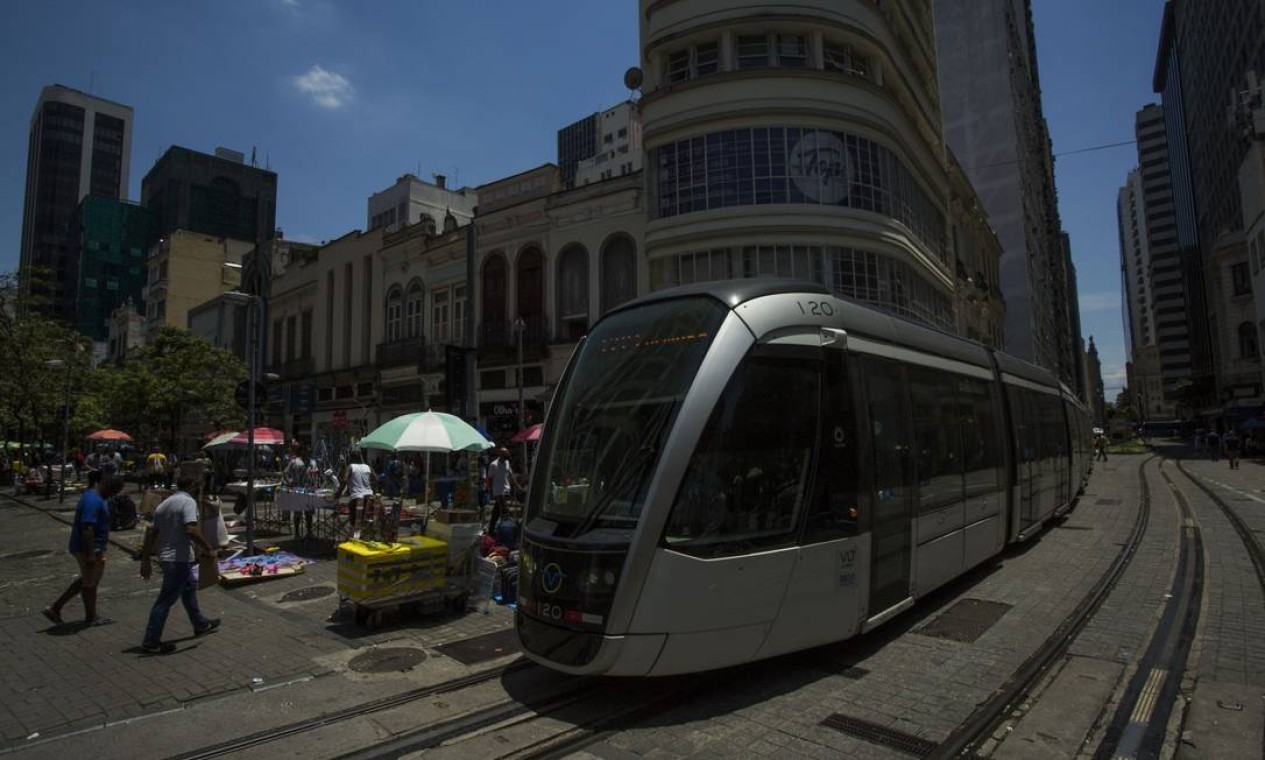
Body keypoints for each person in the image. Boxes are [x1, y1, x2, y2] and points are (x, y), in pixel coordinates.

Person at [137, 476, 220, 654]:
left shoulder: (164, 504)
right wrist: (208, 547)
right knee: (165, 600)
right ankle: (151, 641)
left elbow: (152, 533)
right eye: (198, 484)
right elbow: (190, 529)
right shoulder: (188, 502)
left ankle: (200, 623)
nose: (200, 488)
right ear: (191, 485)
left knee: (189, 587)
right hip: (178, 558)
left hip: (167, 556)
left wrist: (145, 560)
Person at [43, 477, 124, 627]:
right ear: (108, 487)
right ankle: (89, 616)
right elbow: (87, 528)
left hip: (95, 546)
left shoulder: (94, 497)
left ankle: (58, 608)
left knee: (89, 580)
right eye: (114, 492)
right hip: (87, 547)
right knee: (90, 582)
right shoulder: (93, 501)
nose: (113, 495)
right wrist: (91, 554)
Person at [334, 451, 378, 538]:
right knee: (366, 520)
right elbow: (376, 478)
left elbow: (345, 480)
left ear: (351, 458)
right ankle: (364, 537)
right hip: (369, 496)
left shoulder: (351, 467)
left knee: (355, 522)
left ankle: (355, 538)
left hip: (357, 497)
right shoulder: (367, 467)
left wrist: (338, 493)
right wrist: (369, 486)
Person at [485, 447, 518, 534]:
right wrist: (489, 489)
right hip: (498, 492)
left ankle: (491, 531)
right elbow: (490, 478)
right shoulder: (493, 465)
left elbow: (510, 474)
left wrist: (517, 485)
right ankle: (505, 531)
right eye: (505, 455)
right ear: (500, 455)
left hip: (506, 490)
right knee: (505, 512)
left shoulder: (507, 462)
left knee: (496, 512)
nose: (506, 457)